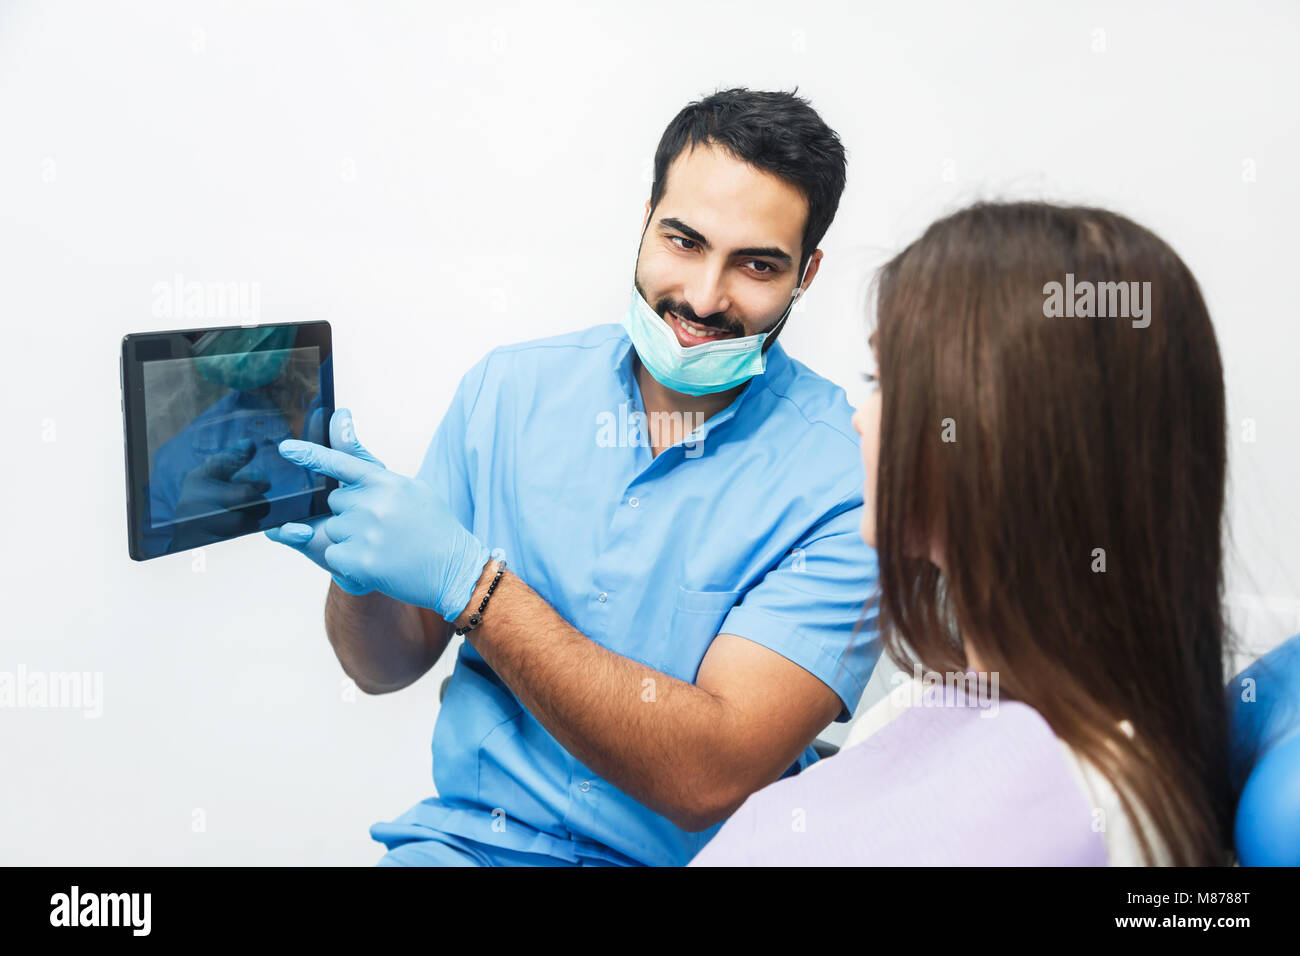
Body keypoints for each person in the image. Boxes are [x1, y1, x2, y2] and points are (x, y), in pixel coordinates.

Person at [265, 88, 882, 866]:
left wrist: (474, 587)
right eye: (683, 241)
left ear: (808, 273)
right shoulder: (508, 394)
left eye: (756, 265)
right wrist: (360, 567)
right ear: (646, 218)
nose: (702, 297)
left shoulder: (845, 478)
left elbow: (706, 773)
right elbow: (381, 668)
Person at [691, 201, 1235, 866]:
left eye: (886, 382)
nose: (861, 420)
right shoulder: (925, 705)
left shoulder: (1084, 810)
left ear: (1009, 437)